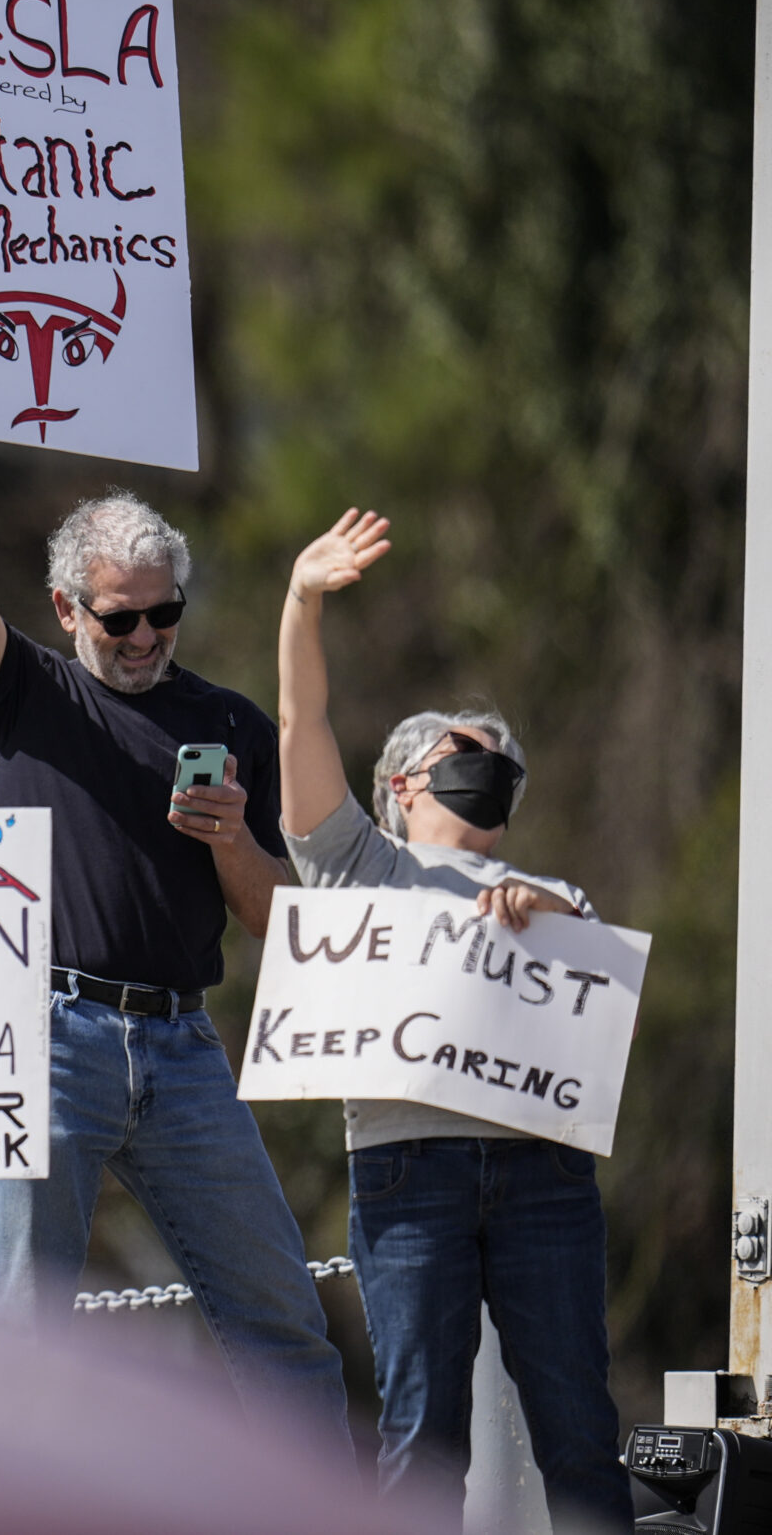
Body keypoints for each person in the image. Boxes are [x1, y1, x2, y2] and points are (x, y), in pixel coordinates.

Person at [0, 325, 351, 1451]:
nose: (142, 637)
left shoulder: (226, 721)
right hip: (44, 1032)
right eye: (118, 616)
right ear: (64, 607)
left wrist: (233, 836)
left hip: (182, 1048)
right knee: (19, 1341)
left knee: (281, 1322)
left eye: (162, 613)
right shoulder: (22, 689)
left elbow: (275, 921)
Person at [278, 508, 630, 1529]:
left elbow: (599, 1005)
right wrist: (302, 601)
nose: (482, 775)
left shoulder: (553, 889)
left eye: (496, 767)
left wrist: (551, 911)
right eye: (458, 758)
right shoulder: (357, 867)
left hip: (542, 1177)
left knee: (574, 1422)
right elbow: (301, 730)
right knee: (423, 1430)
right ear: (400, 786)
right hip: (408, 1169)